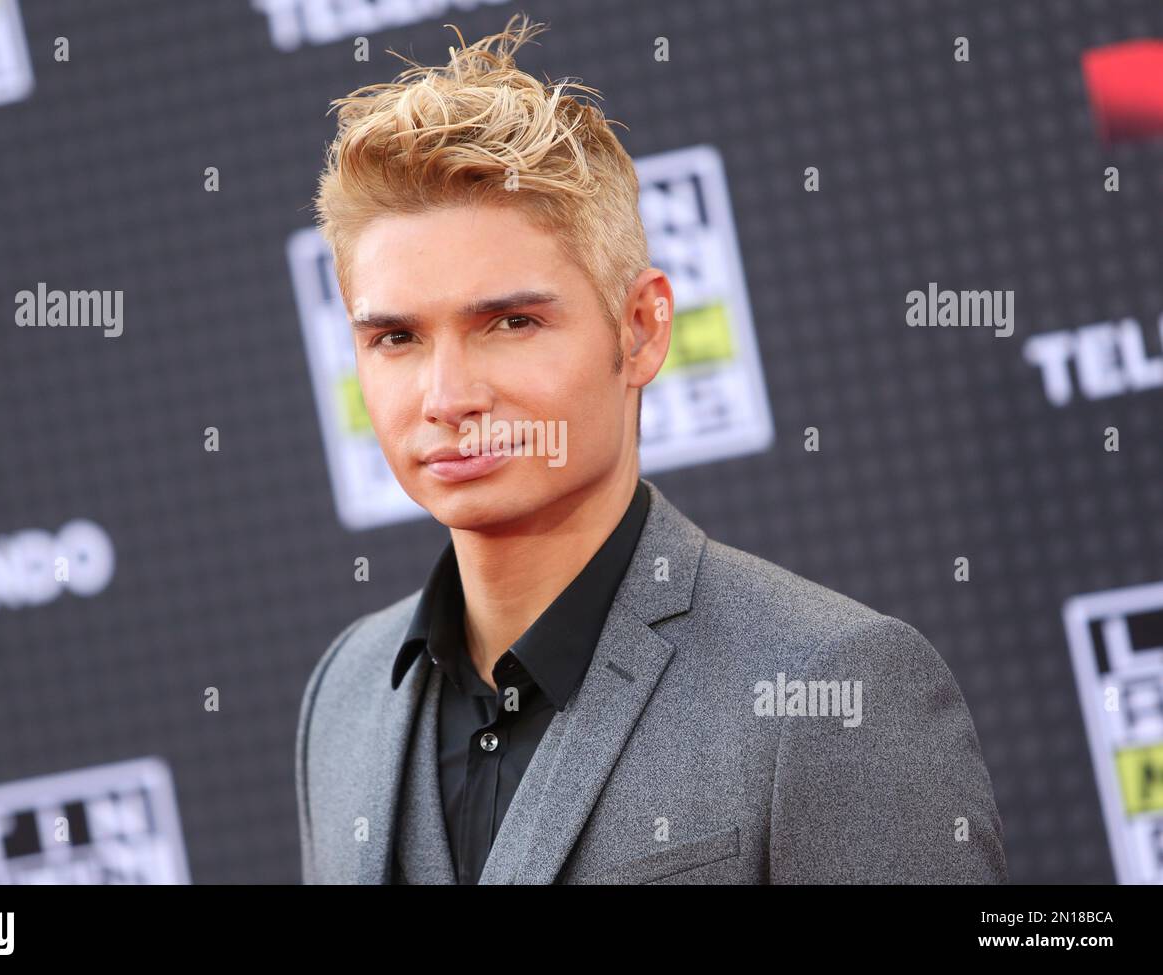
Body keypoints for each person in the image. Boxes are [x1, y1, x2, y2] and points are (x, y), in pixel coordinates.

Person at [296, 13, 1006, 884]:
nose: (447, 398)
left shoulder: (834, 688)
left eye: (511, 322)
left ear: (640, 328)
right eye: (397, 338)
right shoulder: (345, 693)